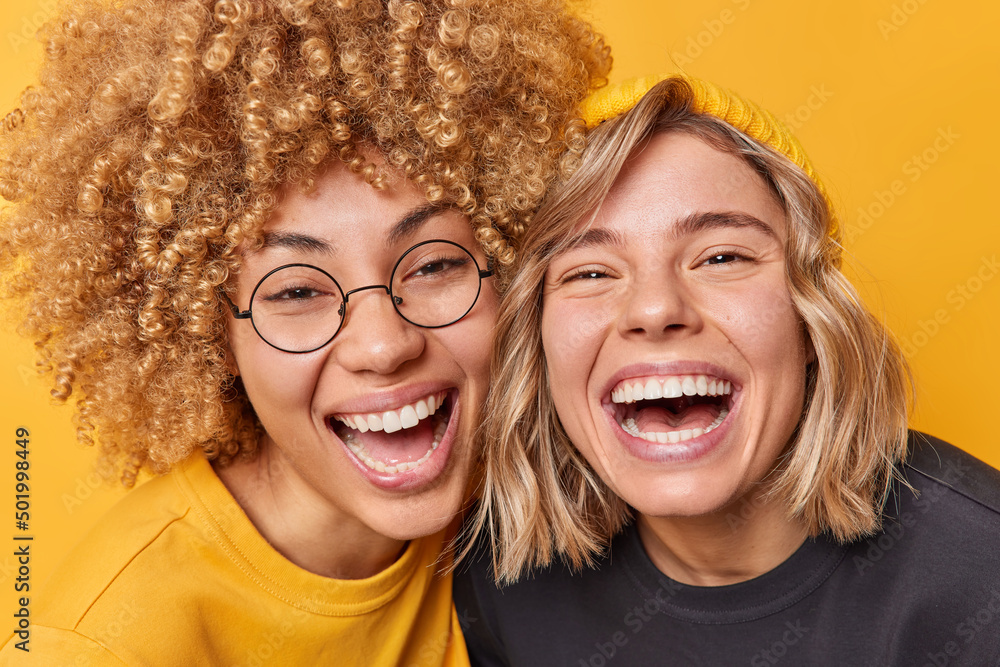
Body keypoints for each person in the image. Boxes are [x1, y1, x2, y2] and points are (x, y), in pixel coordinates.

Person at [0, 0, 610, 663]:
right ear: (207, 332)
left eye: (434, 264)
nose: (383, 344)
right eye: (297, 291)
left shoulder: (544, 491)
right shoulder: (107, 644)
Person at [455, 75, 1000, 665]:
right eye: (590, 272)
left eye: (721, 257)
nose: (655, 309)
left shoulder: (981, 575)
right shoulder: (500, 578)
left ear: (812, 318)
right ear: (537, 341)